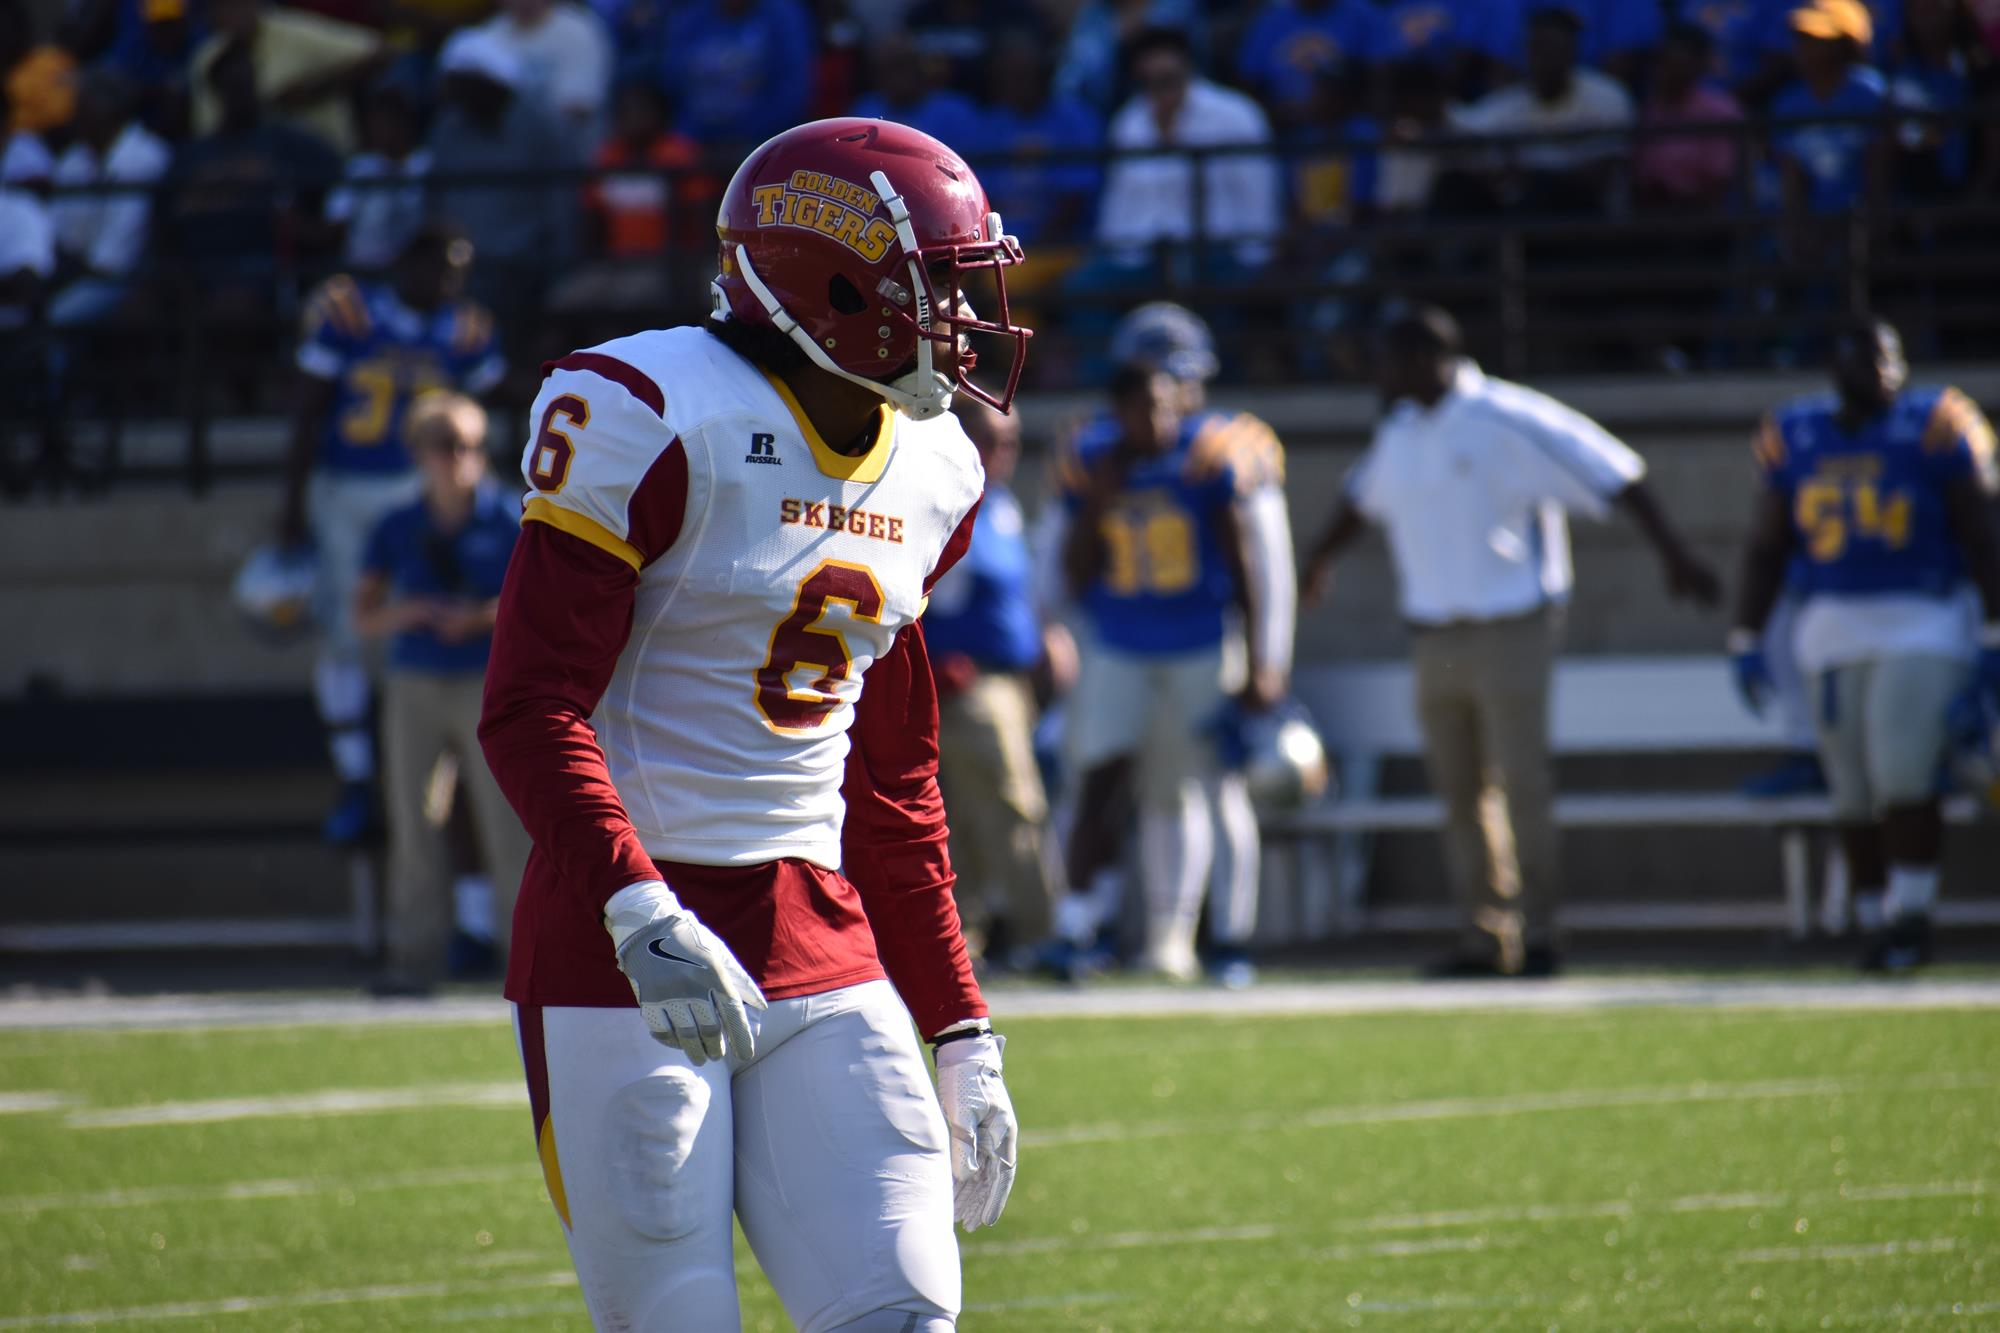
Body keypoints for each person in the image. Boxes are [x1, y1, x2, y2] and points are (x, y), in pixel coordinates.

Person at [477, 116, 1026, 1330]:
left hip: (819, 936)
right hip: (626, 948)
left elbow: (891, 784)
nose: (961, 317)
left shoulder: (936, 465)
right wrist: (634, 907)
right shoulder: (651, 404)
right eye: (935, 284)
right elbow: (528, 706)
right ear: (830, 281)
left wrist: (958, 1021)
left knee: (903, 1310)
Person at [1302, 304, 1720, 978]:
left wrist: (1674, 552)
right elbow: (1358, 502)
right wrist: (1316, 561)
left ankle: (1544, 930)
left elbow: (1615, 471)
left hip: (1510, 623)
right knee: (1460, 792)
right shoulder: (1402, 429)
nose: (1378, 374)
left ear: (1425, 360)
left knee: (1521, 784)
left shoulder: (1507, 416)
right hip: (1432, 630)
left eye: (1388, 359)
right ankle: (1485, 935)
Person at [1730, 318, 2000, 971]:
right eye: (1864, 358)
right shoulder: (1794, 433)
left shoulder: (1938, 423)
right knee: (1851, 789)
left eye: (1889, 358)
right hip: (1830, 625)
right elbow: (1768, 546)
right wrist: (1745, 634)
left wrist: (1993, 632)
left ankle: (1911, 918)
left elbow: (1983, 534)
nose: (1879, 371)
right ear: (1833, 364)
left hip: (1923, 616)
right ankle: (1880, 920)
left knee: (1901, 766)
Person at [1045, 302, 1294, 985]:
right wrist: (1098, 498)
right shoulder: (1090, 457)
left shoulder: (1217, 452)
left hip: (1200, 643)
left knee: (1214, 789)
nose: (1156, 418)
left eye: (1166, 401)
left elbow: (1252, 564)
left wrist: (1266, 656)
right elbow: (1069, 572)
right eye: (1141, 404)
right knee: (1099, 780)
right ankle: (1078, 930)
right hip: (1120, 642)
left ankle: (1226, 939)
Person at [277, 223, 505, 844]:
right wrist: (291, 500)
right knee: (349, 629)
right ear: (402, 263)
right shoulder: (349, 310)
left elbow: (491, 412)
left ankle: (388, 760)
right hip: (352, 485)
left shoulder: (468, 328)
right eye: (436, 265)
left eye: (456, 270)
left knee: (427, 617)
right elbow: (310, 404)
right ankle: (355, 773)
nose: (446, 281)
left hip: (430, 491)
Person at [354, 391, 528, 994]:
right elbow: (364, 615)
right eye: (447, 445)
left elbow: (538, 601)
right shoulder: (396, 525)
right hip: (416, 681)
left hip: (489, 680)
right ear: (420, 453)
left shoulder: (511, 517)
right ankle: (413, 958)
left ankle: (525, 958)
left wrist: (478, 617)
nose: (461, 458)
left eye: (473, 445)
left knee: (509, 822)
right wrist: (412, 612)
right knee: (414, 820)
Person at [925, 398, 1063, 969]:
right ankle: (1047, 932)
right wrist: (936, 660)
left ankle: (968, 939)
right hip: (971, 686)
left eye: (1011, 442)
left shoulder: (999, 503)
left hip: (1011, 682)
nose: (1000, 453)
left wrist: (1044, 639)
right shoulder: (944, 500)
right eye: (989, 440)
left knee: (974, 819)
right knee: (1013, 806)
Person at [1456, 3, 1635, 216]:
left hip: (1588, 219)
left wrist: (1532, 176)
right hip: (1523, 214)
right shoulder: (1510, 101)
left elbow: (1597, 179)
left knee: (1541, 190)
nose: (1543, 58)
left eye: (1552, 49)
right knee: (1455, 184)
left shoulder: (1608, 96)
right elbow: (1464, 125)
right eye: (1536, 48)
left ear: (1571, 52)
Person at [47, 70, 171, 328]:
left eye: (84, 104)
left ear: (110, 110)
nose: (75, 113)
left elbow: (115, 259)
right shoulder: (72, 159)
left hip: (125, 279)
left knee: (55, 316)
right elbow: (56, 235)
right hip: (74, 271)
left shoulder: (144, 156)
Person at [188, 0, 384, 154]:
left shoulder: (295, 31)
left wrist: (313, 89)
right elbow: (208, 131)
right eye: (225, 5)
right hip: (251, 168)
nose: (235, 12)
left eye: (241, 3)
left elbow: (381, 51)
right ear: (212, 14)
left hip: (327, 157)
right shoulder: (207, 59)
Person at [661, 0, 813, 148]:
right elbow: (672, 79)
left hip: (763, 141)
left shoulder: (783, 16)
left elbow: (792, 92)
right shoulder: (692, 15)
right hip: (694, 138)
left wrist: (745, 133)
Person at [1634, 21, 1745, 212]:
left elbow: (1720, 183)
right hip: (1651, 215)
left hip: (1705, 216)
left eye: (1678, 64)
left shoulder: (1719, 110)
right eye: (1663, 62)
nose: (1667, 72)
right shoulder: (1645, 109)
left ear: (1699, 65)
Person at [325, 77, 430, 271]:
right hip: (363, 274)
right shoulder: (358, 168)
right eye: (375, 120)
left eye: (389, 120)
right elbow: (336, 224)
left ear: (407, 121)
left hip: (412, 276)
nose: (380, 128)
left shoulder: (428, 166)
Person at [470, 0, 612, 130]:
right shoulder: (487, 37)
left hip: (566, 144)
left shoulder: (579, 32)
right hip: (503, 143)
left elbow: (580, 105)